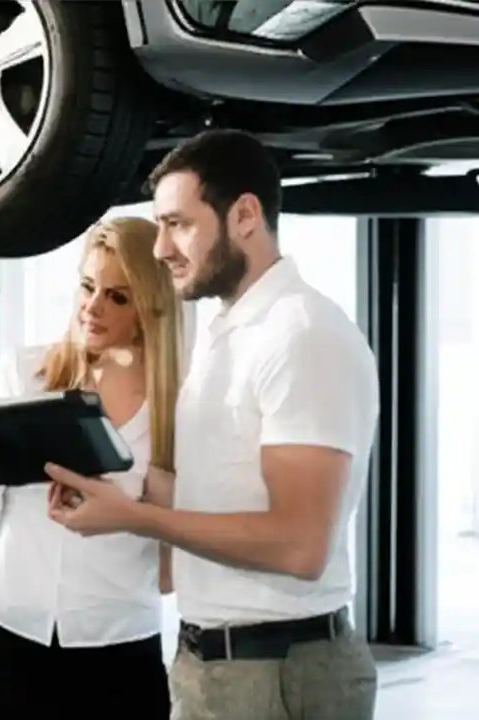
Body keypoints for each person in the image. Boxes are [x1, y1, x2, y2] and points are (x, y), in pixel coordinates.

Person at [44, 130, 381, 720]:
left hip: (278, 673)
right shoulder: (228, 334)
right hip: (215, 666)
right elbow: (222, 493)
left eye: (179, 224)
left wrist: (133, 517)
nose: (160, 248)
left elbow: (300, 544)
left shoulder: (301, 334)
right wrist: (123, 486)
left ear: (245, 215)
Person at [0, 216, 183, 719]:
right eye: (88, 285)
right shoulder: (22, 372)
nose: (93, 306)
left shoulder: (179, 411)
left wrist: (147, 506)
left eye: (118, 296)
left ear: (151, 307)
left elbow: (170, 577)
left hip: (120, 643)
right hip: (13, 631)